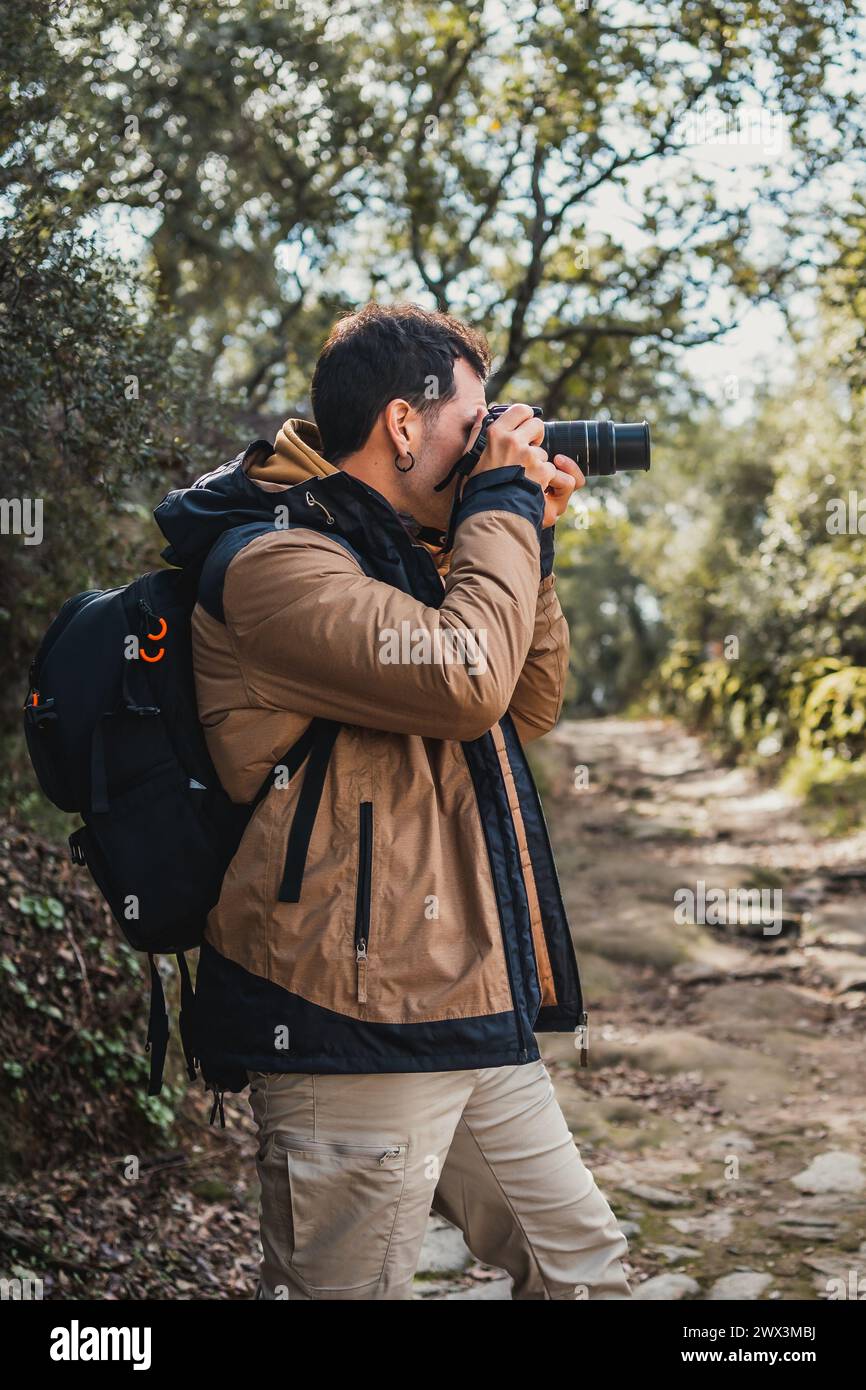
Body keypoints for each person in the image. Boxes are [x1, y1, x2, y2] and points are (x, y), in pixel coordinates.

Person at [158, 301, 633, 1300]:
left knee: (581, 1269)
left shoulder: (412, 556)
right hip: (344, 1019)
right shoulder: (274, 564)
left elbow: (522, 700)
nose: (483, 449)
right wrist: (495, 504)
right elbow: (464, 677)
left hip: (465, 1005)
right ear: (403, 425)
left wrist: (524, 535)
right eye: (472, 429)